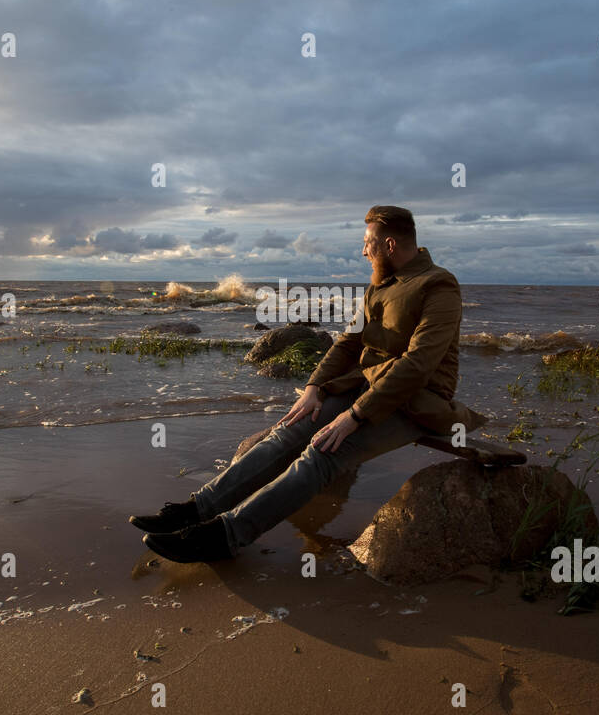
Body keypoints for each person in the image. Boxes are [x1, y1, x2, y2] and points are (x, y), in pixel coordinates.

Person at [131, 205, 488, 562]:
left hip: (416, 401)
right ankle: (197, 509)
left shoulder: (438, 285)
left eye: (368, 243)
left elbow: (418, 365)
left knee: (322, 454)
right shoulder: (380, 285)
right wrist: (315, 386)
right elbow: (349, 343)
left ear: (390, 244)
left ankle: (224, 536)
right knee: (288, 431)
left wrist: (355, 416)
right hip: (366, 386)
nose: (364, 251)